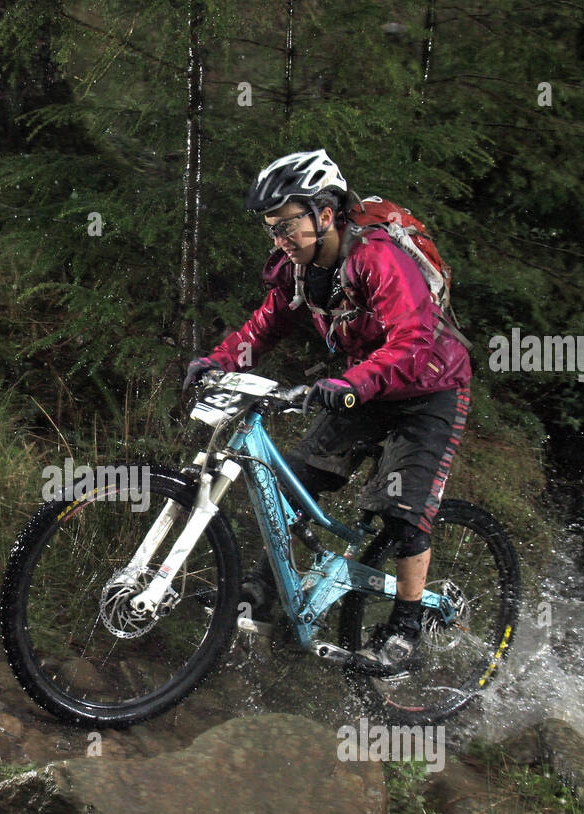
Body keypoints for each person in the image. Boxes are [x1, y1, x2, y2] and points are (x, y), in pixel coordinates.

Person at [182, 149, 472, 671]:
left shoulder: (377, 258)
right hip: (364, 385)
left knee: (406, 508)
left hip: (430, 387)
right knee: (293, 482)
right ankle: (262, 592)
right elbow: (263, 326)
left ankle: (406, 630)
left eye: (288, 225)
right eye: (273, 230)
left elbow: (411, 345)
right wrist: (216, 360)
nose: (280, 239)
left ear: (325, 213)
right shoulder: (301, 271)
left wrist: (345, 385)